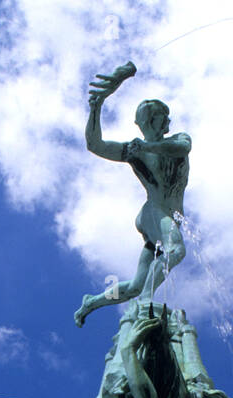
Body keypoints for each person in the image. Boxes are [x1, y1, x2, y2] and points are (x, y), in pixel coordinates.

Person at [76, 62, 191, 326]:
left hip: (161, 218)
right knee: (176, 250)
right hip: (153, 212)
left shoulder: (175, 140)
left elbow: (181, 148)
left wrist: (148, 146)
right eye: (161, 117)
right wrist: (97, 105)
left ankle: (91, 302)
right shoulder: (135, 150)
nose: (166, 121)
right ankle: (147, 304)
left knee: (135, 285)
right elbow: (95, 145)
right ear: (151, 120)